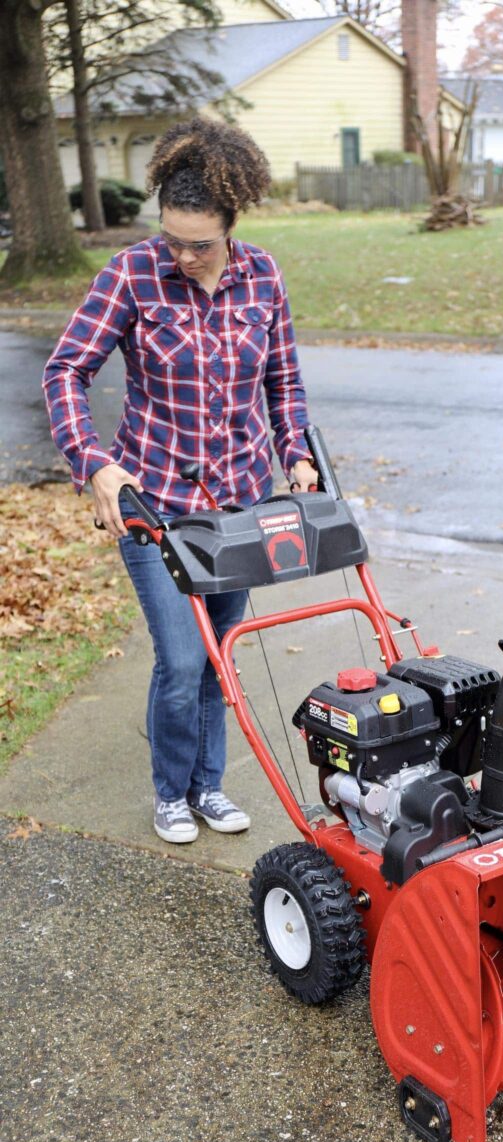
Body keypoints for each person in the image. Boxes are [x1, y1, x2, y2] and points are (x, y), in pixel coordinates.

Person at [43, 117, 318, 846]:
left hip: (240, 502)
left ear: (232, 224)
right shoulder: (134, 273)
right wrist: (94, 461)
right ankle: (172, 790)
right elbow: (65, 369)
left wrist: (296, 451)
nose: (186, 256)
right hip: (155, 503)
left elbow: (282, 378)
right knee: (182, 656)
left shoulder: (262, 274)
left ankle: (209, 785)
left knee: (219, 654)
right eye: (174, 239)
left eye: (201, 243)